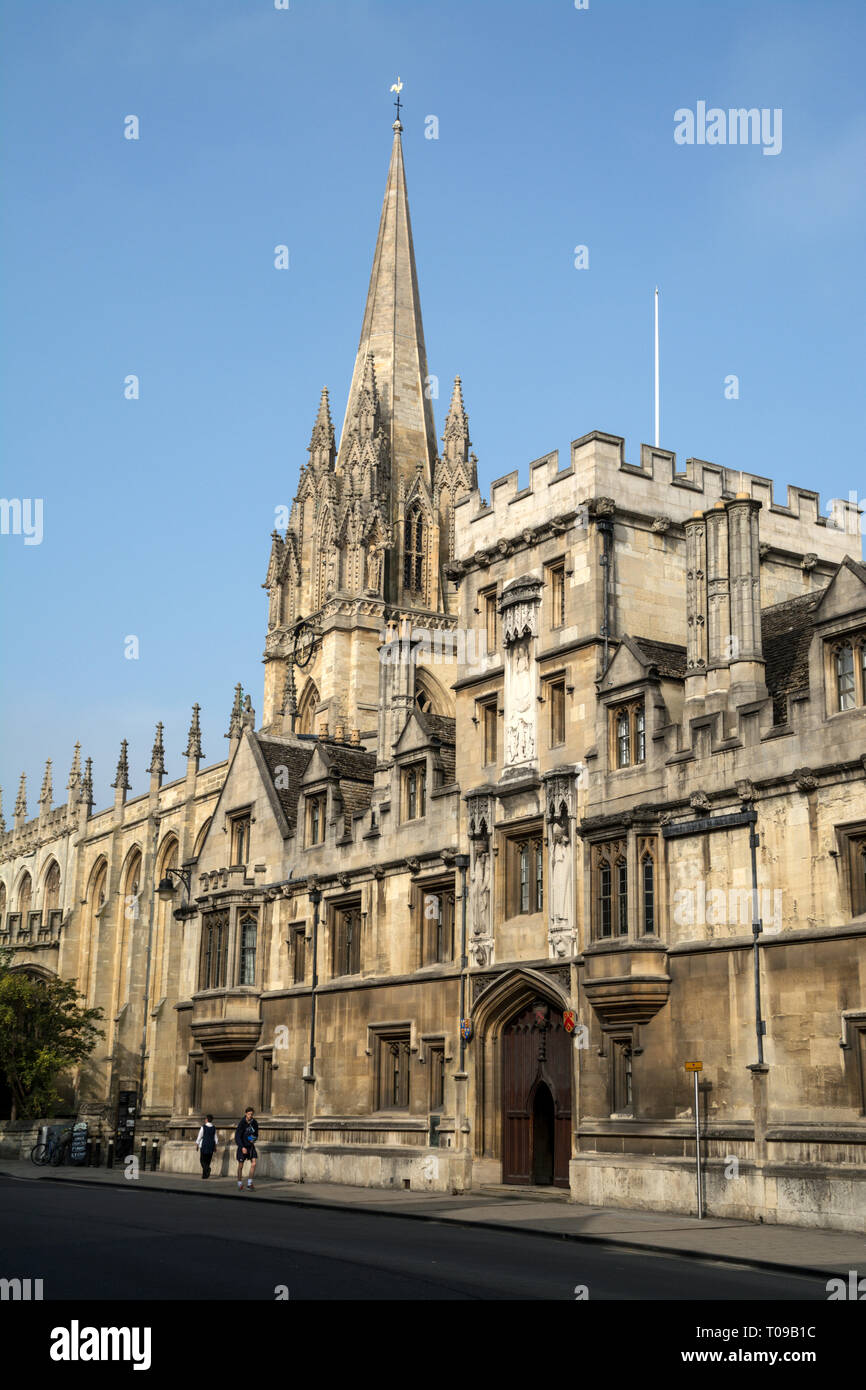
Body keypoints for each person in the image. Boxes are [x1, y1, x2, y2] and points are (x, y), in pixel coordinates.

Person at [234, 1106, 259, 1190]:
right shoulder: (242, 1123)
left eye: (251, 1114)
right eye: (249, 1114)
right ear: (246, 1114)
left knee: (254, 1163)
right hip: (243, 1146)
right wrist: (242, 1147)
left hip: (251, 1146)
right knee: (241, 1165)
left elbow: (256, 1134)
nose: (250, 1116)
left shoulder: (254, 1122)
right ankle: (240, 1183)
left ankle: (249, 1184)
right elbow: (237, 1137)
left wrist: (252, 1139)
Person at [195, 1115, 218, 1179]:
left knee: (202, 1160)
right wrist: (215, 1147)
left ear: (207, 1119)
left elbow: (199, 1136)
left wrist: (197, 1144)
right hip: (211, 1145)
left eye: (205, 1119)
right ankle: (205, 1175)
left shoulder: (203, 1127)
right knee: (208, 1160)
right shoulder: (214, 1128)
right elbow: (215, 1138)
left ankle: (207, 1169)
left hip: (204, 1145)